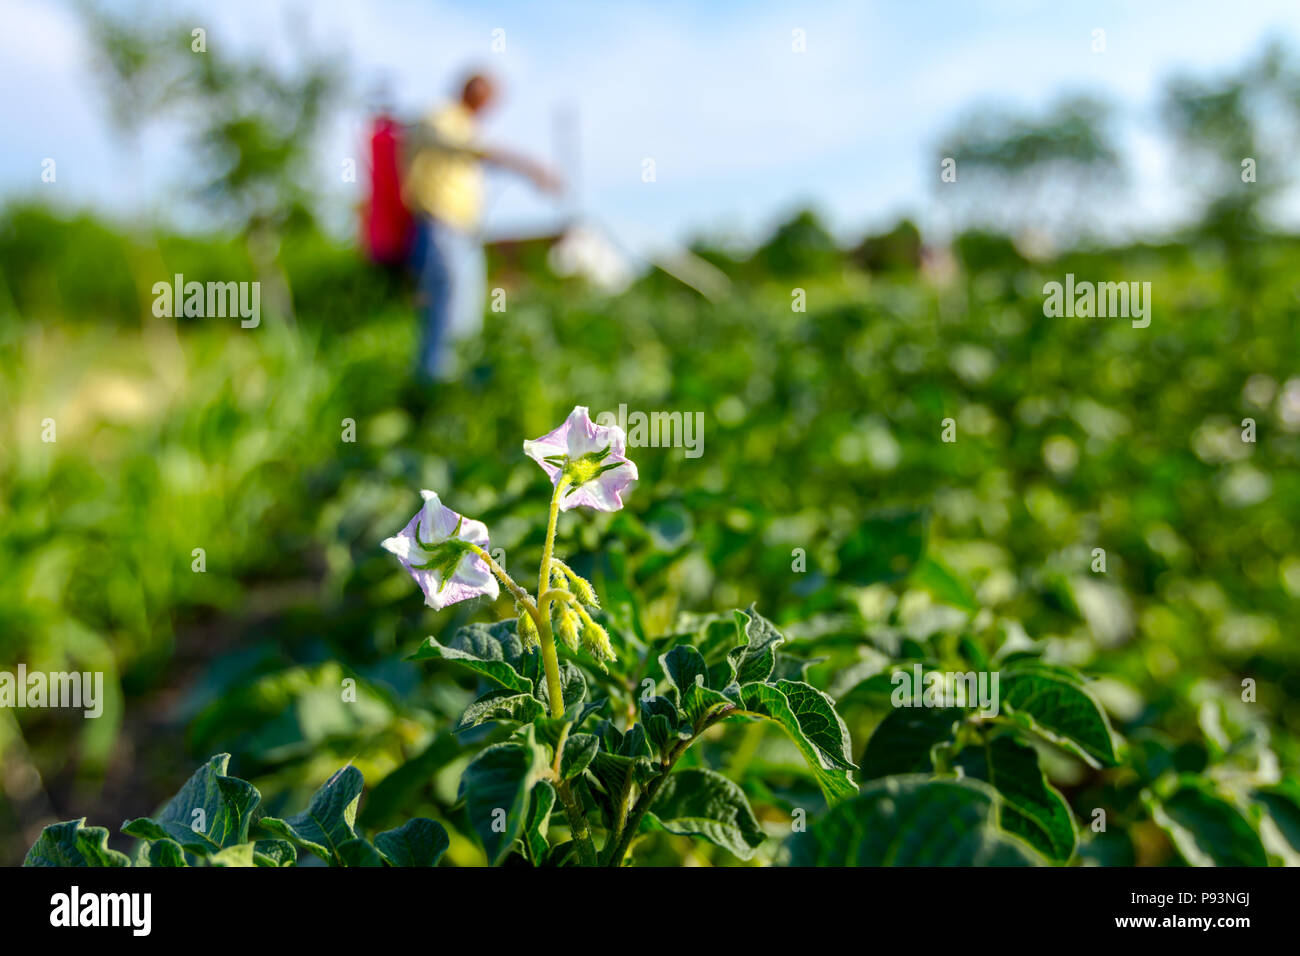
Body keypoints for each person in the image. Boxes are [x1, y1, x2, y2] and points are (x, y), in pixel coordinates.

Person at [402, 72, 560, 382]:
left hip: (462, 234)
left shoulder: (465, 124)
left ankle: (454, 388)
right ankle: (438, 394)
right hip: (440, 228)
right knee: (450, 317)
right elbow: (470, 148)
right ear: (475, 93)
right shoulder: (441, 116)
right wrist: (529, 166)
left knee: (464, 313)